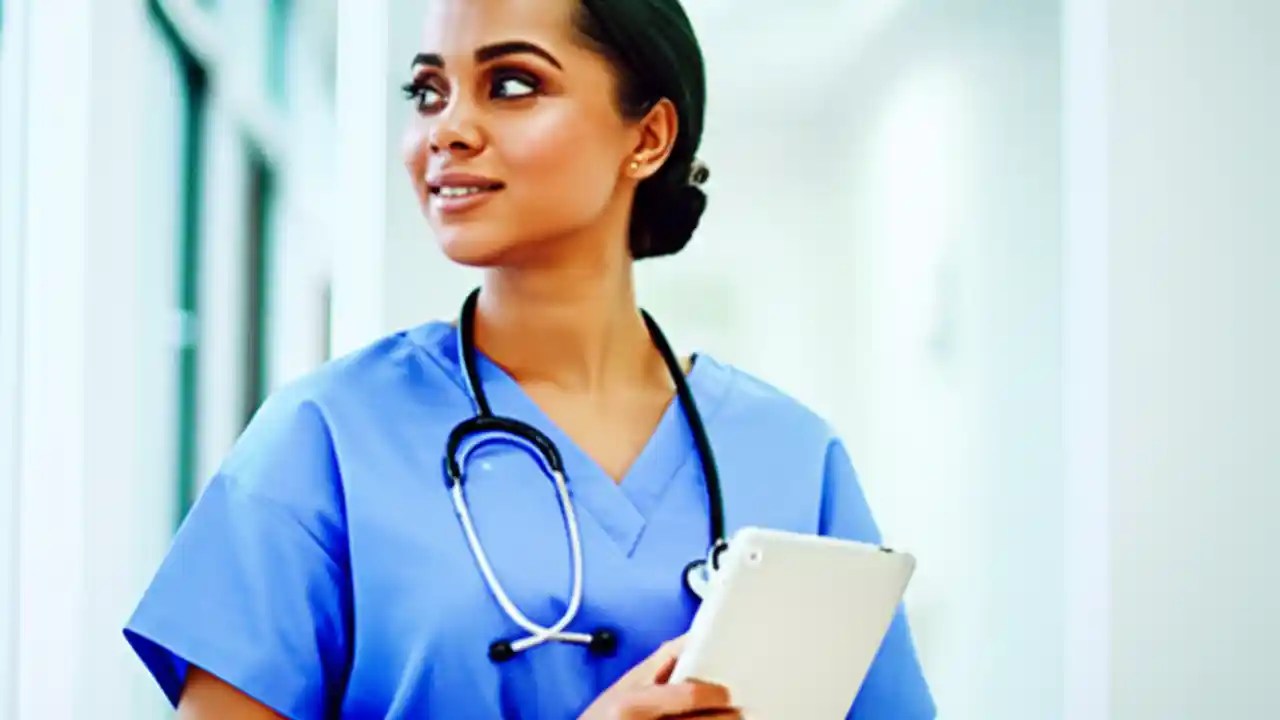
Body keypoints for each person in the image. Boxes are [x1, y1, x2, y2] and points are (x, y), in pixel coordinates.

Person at [123, 0, 936, 717]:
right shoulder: (325, 440)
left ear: (647, 137)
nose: (446, 129)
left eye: (511, 84)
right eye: (427, 92)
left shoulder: (791, 455)